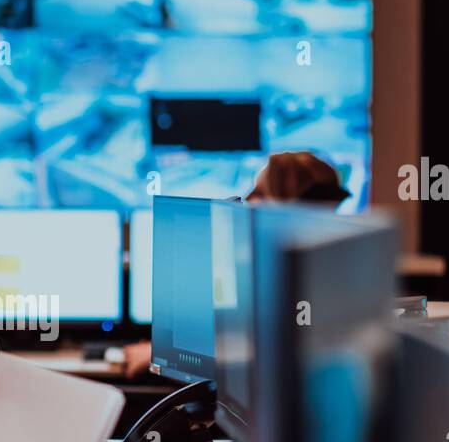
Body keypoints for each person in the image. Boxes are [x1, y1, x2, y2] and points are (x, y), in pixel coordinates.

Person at [121, 151, 349, 378]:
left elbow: (268, 362)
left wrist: (162, 355)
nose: (248, 200)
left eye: (259, 192)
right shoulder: (327, 272)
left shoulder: (307, 284)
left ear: (280, 206)